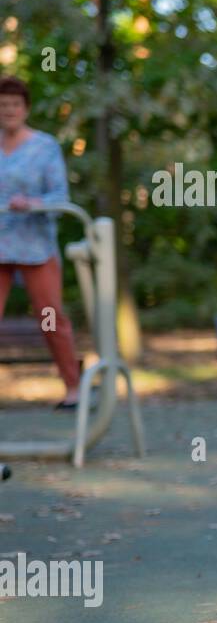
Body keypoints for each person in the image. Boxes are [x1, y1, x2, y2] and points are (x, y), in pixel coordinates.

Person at [0, 75, 81, 409]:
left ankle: (74, 388)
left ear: (25, 108)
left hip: (35, 248)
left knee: (49, 317)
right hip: (0, 247)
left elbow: (59, 196)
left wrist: (32, 203)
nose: (9, 111)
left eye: (15, 105)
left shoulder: (44, 146)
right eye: (3, 105)